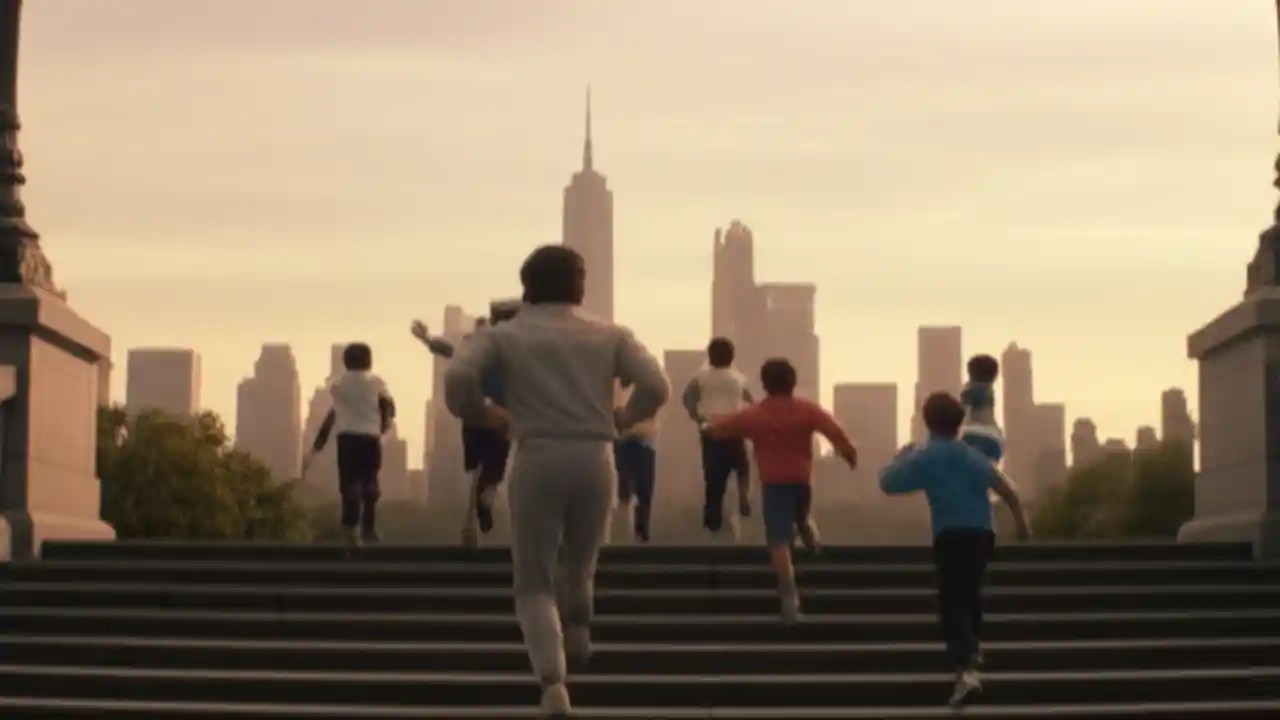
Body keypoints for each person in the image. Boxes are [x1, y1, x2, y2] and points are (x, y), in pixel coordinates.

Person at [444, 245, 668, 718]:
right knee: (582, 561)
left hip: (537, 454)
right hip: (595, 455)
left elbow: (459, 377)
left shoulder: (506, 336)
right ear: (579, 286)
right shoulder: (609, 334)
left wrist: (485, 414)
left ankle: (553, 683)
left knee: (533, 582)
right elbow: (657, 386)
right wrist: (625, 418)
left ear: (526, 287)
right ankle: (581, 630)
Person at [879, 391, 1032, 708]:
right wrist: (1022, 524)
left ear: (927, 422)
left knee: (952, 600)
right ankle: (973, 651)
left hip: (951, 534)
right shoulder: (973, 456)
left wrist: (902, 454)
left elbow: (888, 483)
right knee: (970, 591)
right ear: (959, 422)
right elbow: (1008, 490)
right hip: (982, 532)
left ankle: (966, 670)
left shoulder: (926, 456)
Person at [707, 358, 856, 625]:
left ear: (764, 384)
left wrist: (708, 427)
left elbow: (723, 428)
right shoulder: (807, 409)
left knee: (779, 541)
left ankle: (789, 597)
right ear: (793, 382)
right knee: (799, 514)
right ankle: (807, 530)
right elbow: (832, 429)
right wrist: (848, 452)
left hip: (774, 482)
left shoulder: (756, 415)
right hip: (802, 480)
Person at [412, 305, 517, 548]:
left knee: (475, 472)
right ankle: (487, 498)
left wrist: (425, 337)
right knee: (493, 472)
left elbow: (446, 349)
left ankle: (469, 524)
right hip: (498, 418)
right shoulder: (509, 349)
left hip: (473, 417)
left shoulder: (471, 348)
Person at [303, 342, 396, 548]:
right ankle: (368, 528)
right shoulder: (377, 383)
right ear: (369, 362)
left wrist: (316, 448)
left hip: (347, 438)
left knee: (349, 484)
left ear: (345, 362)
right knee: (370, 482)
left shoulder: (338, 385)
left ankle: (350, 528)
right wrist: (384, 428)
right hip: (371, 438)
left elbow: (331, 417)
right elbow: (389, 408)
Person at [682, 337, 754, 540]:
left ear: (710, 356)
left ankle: (713, 522)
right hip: (735, 427)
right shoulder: (739, 378)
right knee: (742, 466)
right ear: (732, 357)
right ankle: (744, 492)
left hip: (711, 429)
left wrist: (697, 416)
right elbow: (750, 401)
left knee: (714, 479)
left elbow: (687, 398)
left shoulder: (701, 377)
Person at [613, 380, 658, 544]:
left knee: (641, 492)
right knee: (627, 491)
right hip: (628, 443)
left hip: (640, 443)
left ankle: (641, 533)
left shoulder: (646, 389)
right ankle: (626, 534)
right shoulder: (619, 387)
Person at [960, 354, 1004, 463]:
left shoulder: (969, 391)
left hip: (971, 434)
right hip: (992, 435)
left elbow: (965, 414)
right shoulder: (989, 391)